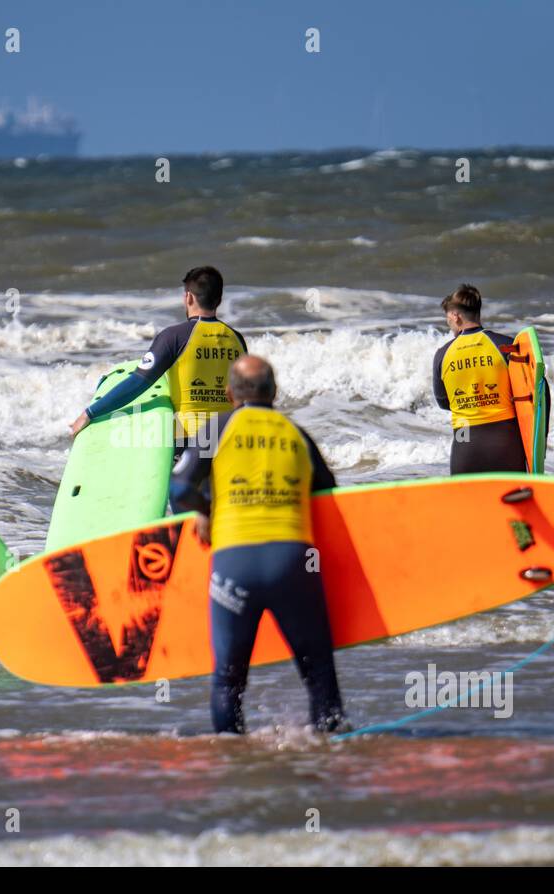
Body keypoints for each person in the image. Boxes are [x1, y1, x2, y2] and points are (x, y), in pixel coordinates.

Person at [169, 355, 347, 734]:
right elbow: (328, 495)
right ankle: (331, 753)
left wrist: (207, 510)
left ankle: (233, 757)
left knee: (228, 680)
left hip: (235, 565)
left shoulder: (217, 428)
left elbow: (180, 487)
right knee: (317, 672)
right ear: (275, 392)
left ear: (229, 393)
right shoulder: (296, 433)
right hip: (293, 562)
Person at [69, 265, 247, 448]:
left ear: (189, 297)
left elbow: (138, 382)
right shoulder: (237, 339)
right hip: (231, 439)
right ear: (219, 299)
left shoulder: (175, 336)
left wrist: (89, 413)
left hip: (188, 440)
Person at [431, 284, 549, 474]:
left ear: (455, 316)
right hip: (505, 441)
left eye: (448, 320)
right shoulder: (506, 346)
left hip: (465, 442)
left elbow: (444, 403)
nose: (450, 325)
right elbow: (533, 392)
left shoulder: (442, 355)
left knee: (468, 502)